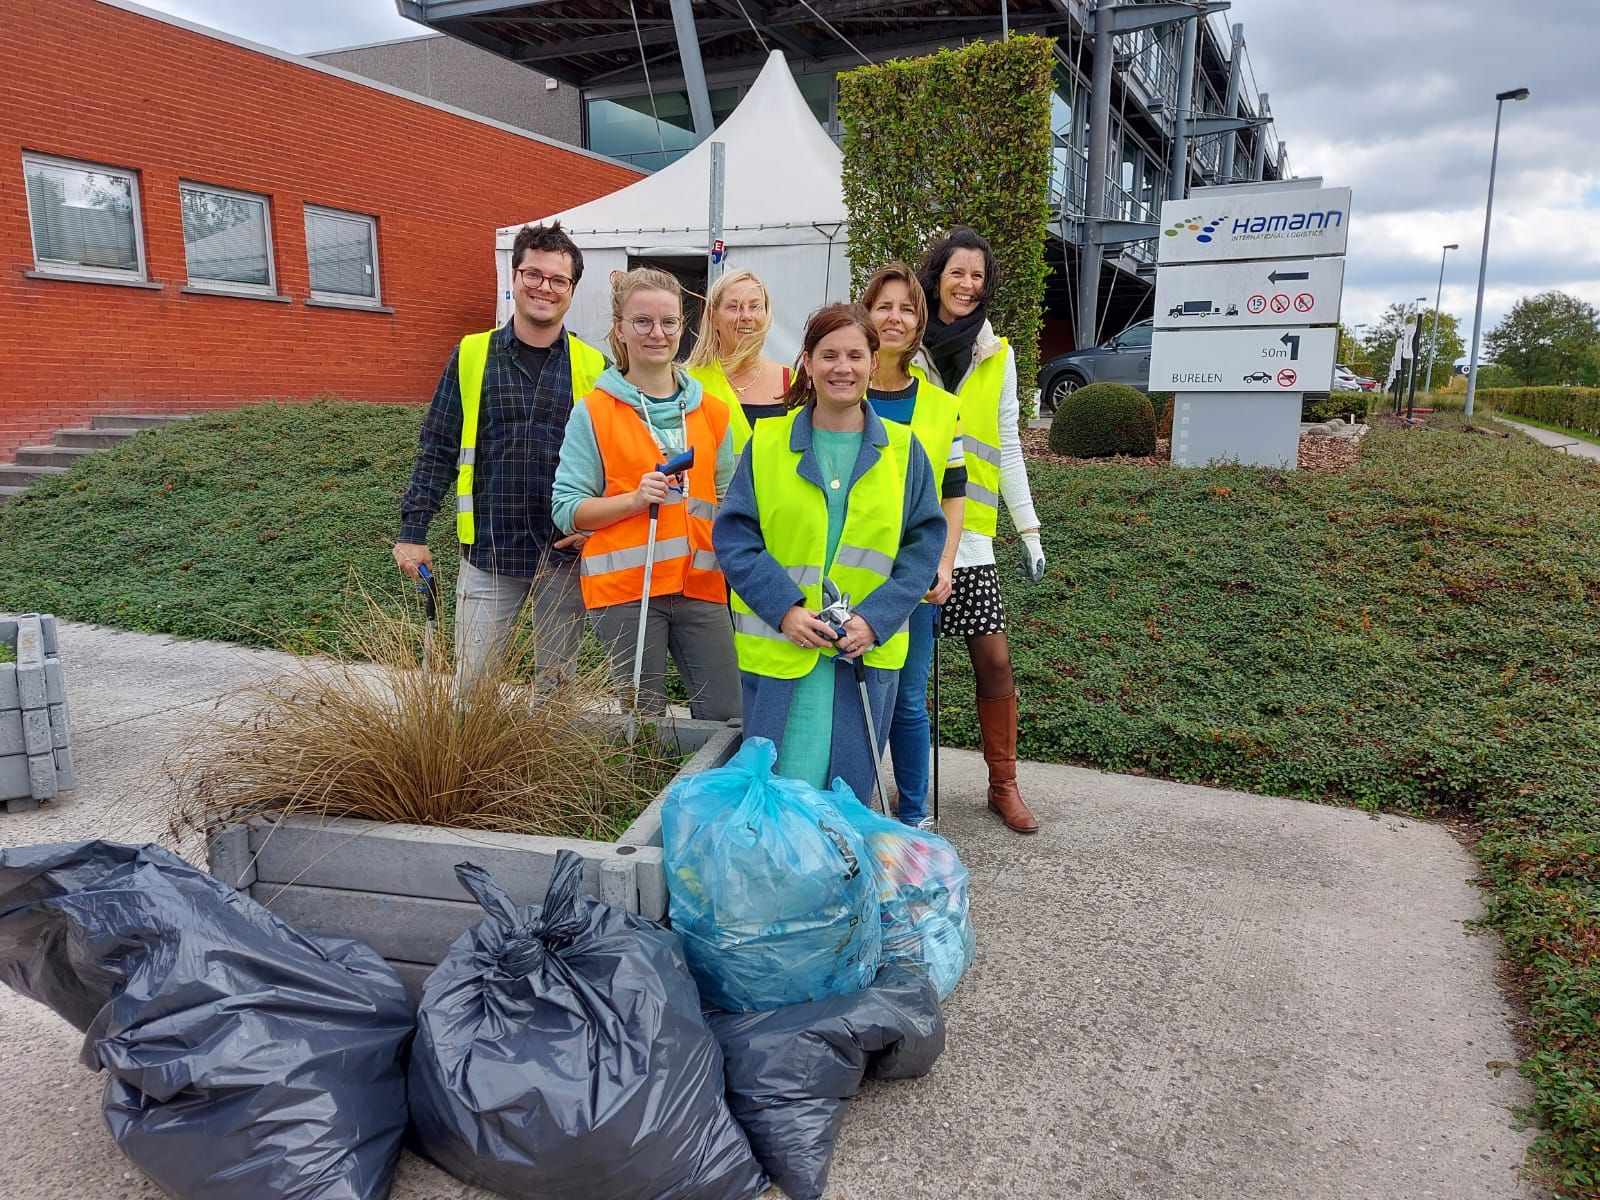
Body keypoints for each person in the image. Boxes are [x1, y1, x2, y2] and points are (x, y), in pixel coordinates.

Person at [714, 303, 946, 808]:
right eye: (829, 355)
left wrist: (876, 620)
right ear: (808, 363)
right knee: (775, 799)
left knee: (844, 799)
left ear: (872, 361)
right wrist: (786, 610)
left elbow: (924, 547)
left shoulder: (906, 452)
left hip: (862, 653)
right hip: (784, 650)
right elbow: (735, 536)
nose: (842, 367)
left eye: (855, 356)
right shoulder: (768, 443)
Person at [394, 221, 606, 688]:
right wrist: (413, 530)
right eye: (534, 274)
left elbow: (619, 463)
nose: (544, 288)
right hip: (489, 552)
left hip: (565, 555)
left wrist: (599, 527)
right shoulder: (471, 355)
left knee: (556, 691)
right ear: (514, 277)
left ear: (572, 290)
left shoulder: (595, 368)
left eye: (558, 280)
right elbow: (437, 448)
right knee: (472, 691)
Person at [552, 267, 741, 721]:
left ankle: (705, 795)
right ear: (619, 328)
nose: (657, 333)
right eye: (642, 322)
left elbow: (730, 504)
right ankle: (648, 793)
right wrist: (634, 501)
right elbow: (567, 510)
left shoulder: (713, 413)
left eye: (668, 322)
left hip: (701, 587)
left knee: (727, 717)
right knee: (645, 724)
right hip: (626, 593)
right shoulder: (594, 412)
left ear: (683, 326)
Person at [912, 227, 1046, 834]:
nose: (968, 285)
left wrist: (1030, 530)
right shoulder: (904, 342)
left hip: (970, 538)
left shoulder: (999, 353)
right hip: (908, 530)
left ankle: (1004, 784)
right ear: (935, 275)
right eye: (957, 272)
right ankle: (907, 793)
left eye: (978, 275)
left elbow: (1010, 444)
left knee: (993, 660)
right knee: (905, 671)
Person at [861, 261, 966, 829]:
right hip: (849, 576)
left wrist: (943, 563)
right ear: (866, 314)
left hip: (915, 578)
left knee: (905, 698)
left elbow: (955, 495)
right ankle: (852, 805)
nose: (894, 318)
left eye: (906, 308)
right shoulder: (841, 389)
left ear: (919, 321)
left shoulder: (939, 406)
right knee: (854, 695)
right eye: (884, 306)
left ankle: (914, 815)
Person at [684, 269, 791, 452]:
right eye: (734, 307)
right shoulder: (688, 383)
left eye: (755, 306)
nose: (746, 316)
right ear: (713, 317)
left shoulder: (793, 382)